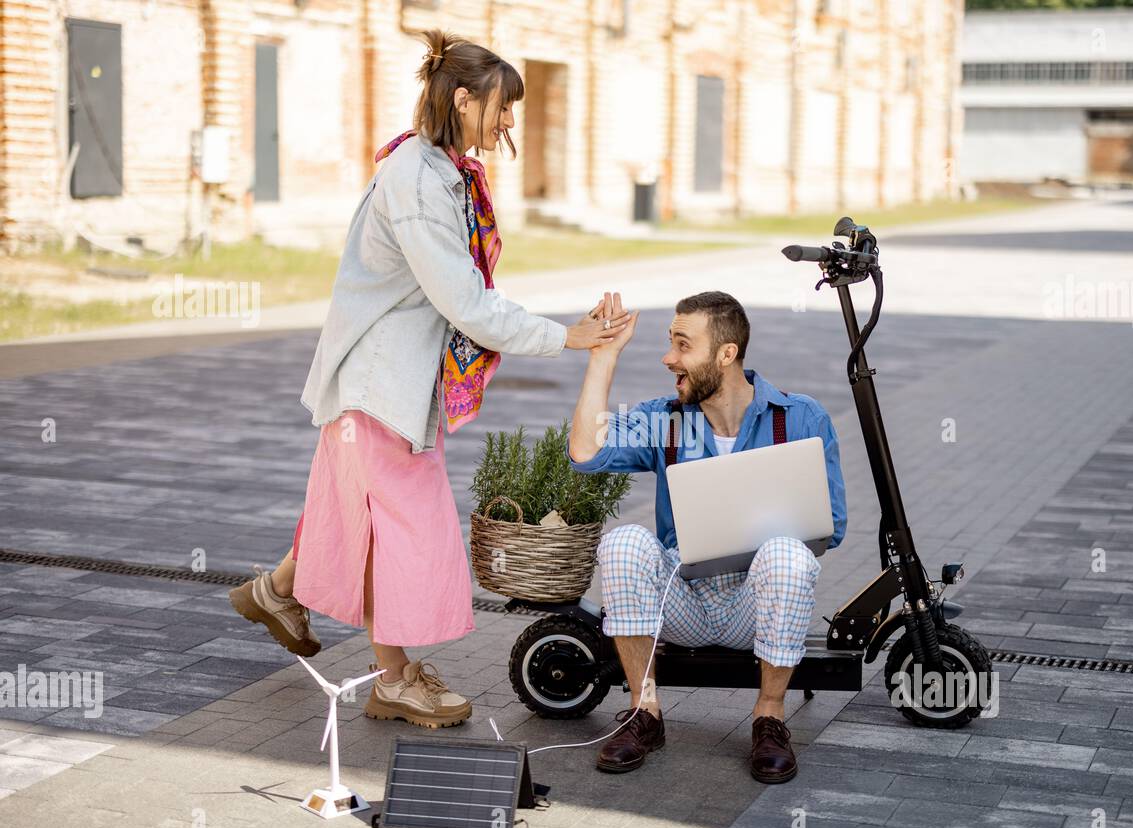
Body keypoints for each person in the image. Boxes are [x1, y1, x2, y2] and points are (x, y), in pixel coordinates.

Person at [228, 29, 631, 730]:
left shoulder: (433, 168)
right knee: (407, 534)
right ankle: (394, 679)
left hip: (389, 389)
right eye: (503, 107)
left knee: (363, 517)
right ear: (464, 98)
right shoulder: (417, 181)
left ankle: (278, 592)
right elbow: (467, 303)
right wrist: (570, 335)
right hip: (376, 390)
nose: (509, 122)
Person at [568, 291, 847, 784]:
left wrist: (764, 538)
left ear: (726, 354)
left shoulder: (800, 418)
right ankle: (643, 713)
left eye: (682, 345)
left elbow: (833, 525)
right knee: (623, 542)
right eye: (669, 343)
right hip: (683, 605)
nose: (668, 358)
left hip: (755, 606)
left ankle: (769, 717)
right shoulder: (665, 419)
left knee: (787, 553)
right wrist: (603, 355)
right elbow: (587, 452)